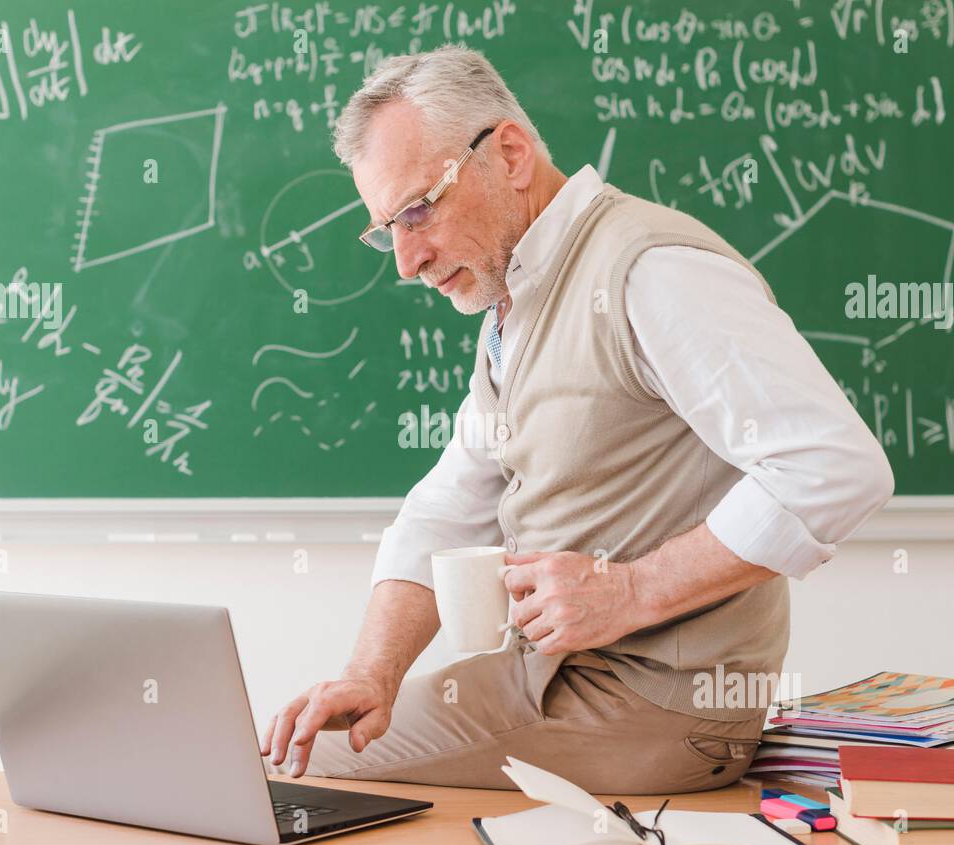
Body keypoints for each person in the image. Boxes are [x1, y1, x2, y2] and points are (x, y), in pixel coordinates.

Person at [261, 43, 894, 794]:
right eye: (386, 228)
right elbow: (449, 509)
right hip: (557, 684)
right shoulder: (516, 303)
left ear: (511, 154)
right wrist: (372, 671)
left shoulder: (650, 271)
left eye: (418, 211)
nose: (405, 260)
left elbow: (836, 466)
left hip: (655, 712)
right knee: (281, 756)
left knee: (289, 772)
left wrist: (630, 591)